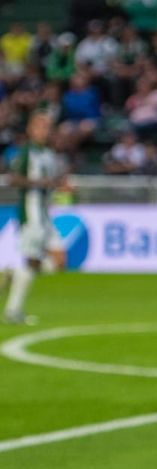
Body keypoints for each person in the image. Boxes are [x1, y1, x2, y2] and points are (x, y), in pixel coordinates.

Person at [4, 112, 70, 325]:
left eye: (47, 127)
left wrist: (61, 184)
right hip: (30, 214)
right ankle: (13, 310)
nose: (44, 130)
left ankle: (15, 274)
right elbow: (13, 179)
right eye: (40, 126)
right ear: (31, 130)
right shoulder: (27, 153)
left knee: (60, 261)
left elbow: (51, 181)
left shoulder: (49, 154)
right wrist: (43, 183)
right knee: (32, 260)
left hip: (44, 214)